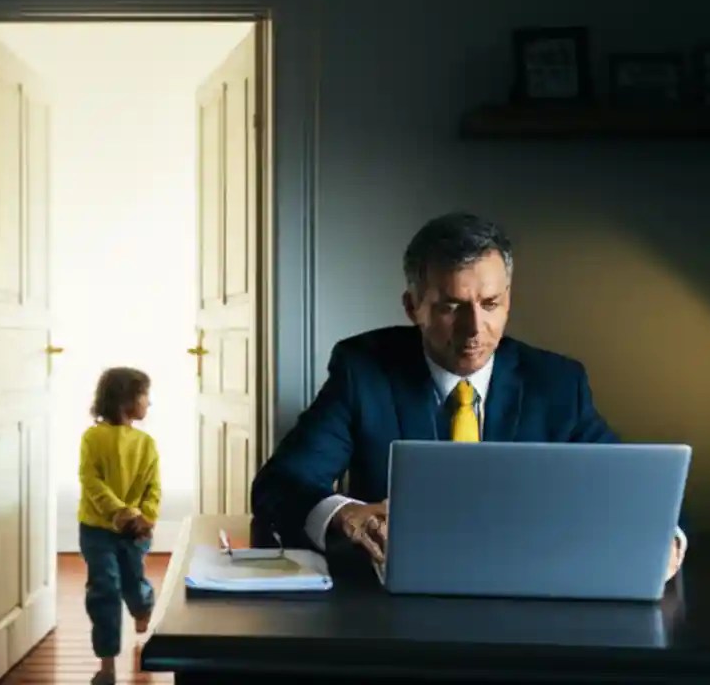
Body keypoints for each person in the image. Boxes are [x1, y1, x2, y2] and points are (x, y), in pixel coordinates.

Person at [250, 212, 687, 582]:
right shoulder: (362, 370)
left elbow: (640, 488)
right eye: (451, 306)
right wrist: (347, 515)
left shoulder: (557, 384)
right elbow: (279, 486)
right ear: (412, 307)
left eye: (491, 304)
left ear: (509, 301)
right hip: (391, 607)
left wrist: (665, 537)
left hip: (528, 596)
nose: (474, 329)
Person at [77, 366, 161, 685]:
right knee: (105, 589)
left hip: (135, 531)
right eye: (145, 396)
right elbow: (90, 480)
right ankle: (107, 662)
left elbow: (154, 486)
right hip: (97, 530)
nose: (148, 404)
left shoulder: (146, 443)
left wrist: (145, 515)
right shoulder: (93, 438)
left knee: (132, 582)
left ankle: (143, 606)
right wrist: (119, 511)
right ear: (126, 399)